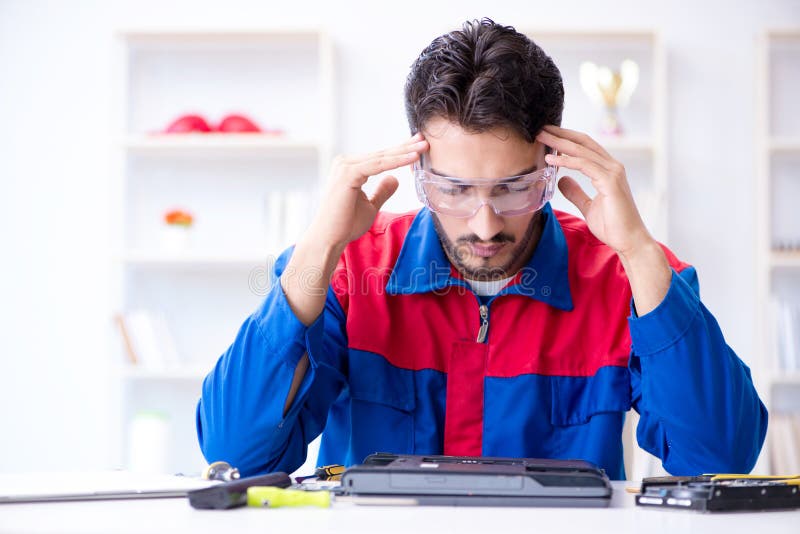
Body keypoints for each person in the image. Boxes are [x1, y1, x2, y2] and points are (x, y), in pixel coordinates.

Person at [196, 19, 767, 480]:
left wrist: (639, 250)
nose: (486, 224)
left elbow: (720, 460)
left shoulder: (628, 277)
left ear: (551, 168)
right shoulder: (348, 269)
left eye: (514, 188)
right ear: (418, 171)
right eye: (454, 189)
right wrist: (317, 247)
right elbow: (237, 456)